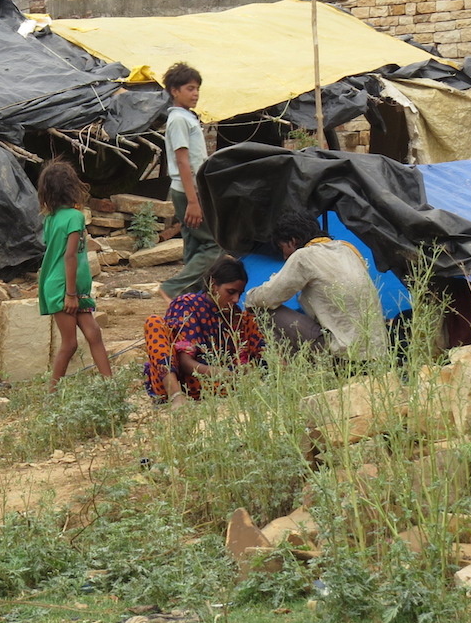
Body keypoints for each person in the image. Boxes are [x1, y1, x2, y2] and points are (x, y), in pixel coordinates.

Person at [244, 211, 387, 361]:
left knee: (262, 310)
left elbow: (267, 296)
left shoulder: (304, 256)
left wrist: (248, 299)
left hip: (345, 354)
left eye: (283, 248)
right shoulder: (346, 249)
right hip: (377, 353)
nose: (285, 257)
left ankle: (297, 373)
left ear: (293, 241)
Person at [143, 256, 264, 404]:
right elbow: (184, 361)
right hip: (182, 381)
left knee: (252, 318)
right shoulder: (187, 305)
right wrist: (215, 371)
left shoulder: (236, 315)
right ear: (213, 285)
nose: (236, 299)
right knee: (154, 322)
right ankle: (176, 397)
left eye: (239, 294)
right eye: (231, 292)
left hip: (219, 384)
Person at [36, 160, 113, 385]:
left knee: (94, 333)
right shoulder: (75, 217)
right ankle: (51, 393)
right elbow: (69, 256)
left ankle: (110, 386)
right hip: (65, 289)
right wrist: (70, 294)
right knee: (70, 343)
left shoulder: (51, 218)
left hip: (67, 287)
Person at [160, 62, 221, 303]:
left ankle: (190, 303)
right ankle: (174, 288)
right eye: (190, 88)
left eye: (197, 89)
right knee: (216, 245)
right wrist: (194, 201)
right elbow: (183, 162)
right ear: (175, 91)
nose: (195, 93)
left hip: (186, 190)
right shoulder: (178, 120)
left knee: (195, 246)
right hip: (189, 190)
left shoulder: (185, 117)